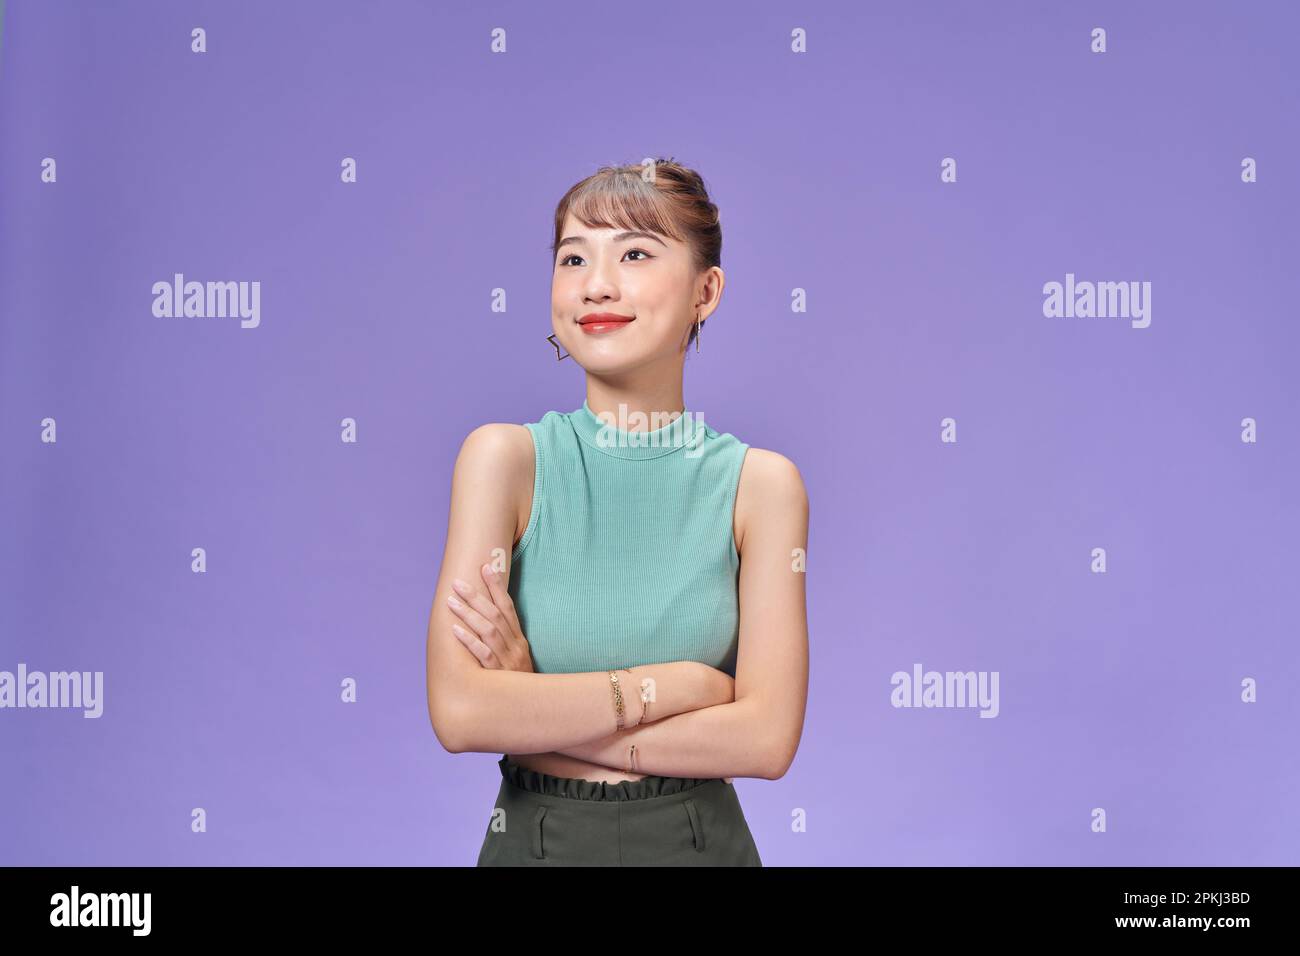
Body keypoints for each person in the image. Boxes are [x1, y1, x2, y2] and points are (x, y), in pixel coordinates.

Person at [425, 158, 809, 866]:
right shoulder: (504, 461)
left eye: (634, 252)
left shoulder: (761, 486)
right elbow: (460, 713)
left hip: (700, 848)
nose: (596, 283)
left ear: (707, 289)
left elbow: (767, 740)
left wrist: (537, 703)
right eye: (573, 257)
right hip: (535, 846)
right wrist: (680, 688)